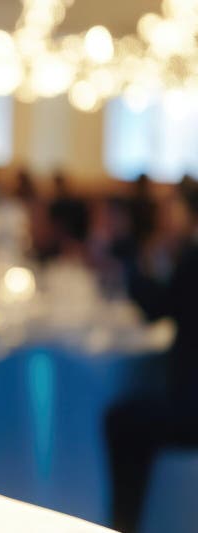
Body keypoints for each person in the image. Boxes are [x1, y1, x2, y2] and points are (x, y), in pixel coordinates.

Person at [105, 188, 198, 532]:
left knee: (120, 421)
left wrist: (131, 266)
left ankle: (123, 522)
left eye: (173, 210)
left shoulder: (193, 259)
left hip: (191, 412)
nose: (165, 218)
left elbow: (158, 306)